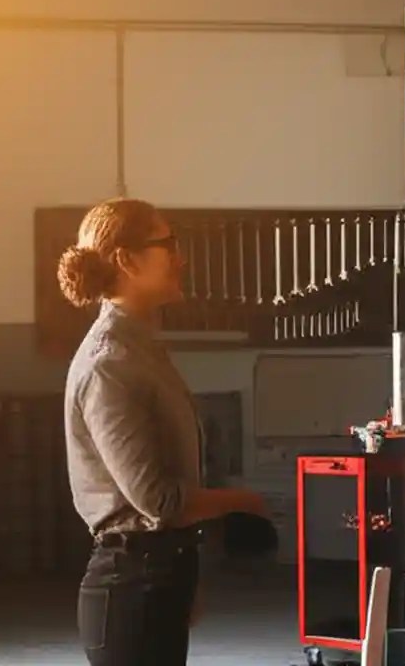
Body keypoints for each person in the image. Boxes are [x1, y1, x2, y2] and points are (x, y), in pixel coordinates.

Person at [59, 197, 265, 665]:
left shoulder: (139, 347)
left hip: (158, 576)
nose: (181, 258)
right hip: (132, 586)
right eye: (168, 244)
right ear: (127, 260)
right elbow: (158, 500)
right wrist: (244, 502)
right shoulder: (110, 363)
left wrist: (185, 576)